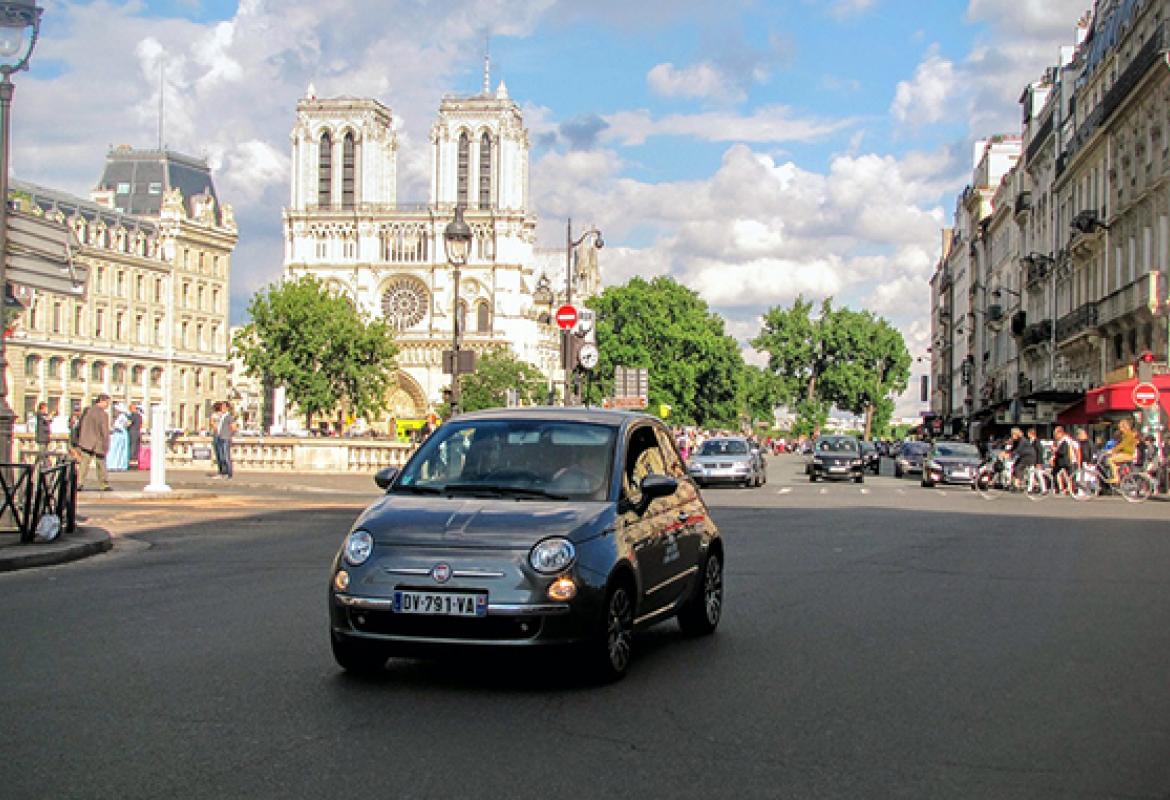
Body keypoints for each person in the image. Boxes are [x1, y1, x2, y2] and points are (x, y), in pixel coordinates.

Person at [75, 394, 112, 491]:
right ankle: (104, 484)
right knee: (101, 464)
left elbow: (79, 426)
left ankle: (79, 483)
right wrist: (106, 444)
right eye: (107, 402)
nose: (108, 405)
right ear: (102, 401)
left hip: (86, 441)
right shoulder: (103, 414)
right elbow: (104, 431)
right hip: (98, 442)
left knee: (84, 464)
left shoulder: (88, 411)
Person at [1107, 417, 1138, 484]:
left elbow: (1122, 445)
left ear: (1125, 427)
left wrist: (1112, 450)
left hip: (1128, 454)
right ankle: (1118, 475)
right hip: (1125, 453)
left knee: (1110, 460)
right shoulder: (1125, 435)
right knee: (1114, 461)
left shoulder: (1129, 435)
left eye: (1121, 427)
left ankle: (1116, 478)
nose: (1120, 429)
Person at [215, 401, 236, 479]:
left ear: (227, 408)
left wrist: (228, 435)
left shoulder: (229, 417)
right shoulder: (222, 416)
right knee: (221, 456)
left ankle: (229, 474)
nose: (221, 408)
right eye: (221, 407)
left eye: (223, 407)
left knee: (226, 456)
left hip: (225, 438)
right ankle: (223, 473)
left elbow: (234, 428)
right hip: (220, 437)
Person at [1052, 426, 1075, 496]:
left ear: (1060, 433)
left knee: (1068, 476)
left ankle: (1069, 489)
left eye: (1056, 434)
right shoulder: (1059, 441)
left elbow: (1063, 451)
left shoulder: (1066, 441)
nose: (1055, 436)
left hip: (1065, 461)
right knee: (1057, 474)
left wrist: (1056, 450)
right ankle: (1061, 488)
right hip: (1060, 461)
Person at [106, 404, 130, 472]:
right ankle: (117, 465)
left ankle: (115, 465)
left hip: (119, 435)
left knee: (116, 450)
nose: (115, 411)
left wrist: (113, 429)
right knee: (118, 450)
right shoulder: (121, 417)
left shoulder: (122, 417)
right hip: (119, 434)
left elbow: (119, 426)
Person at [127, 403, 143, 468]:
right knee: (137, 447)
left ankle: (132, 464)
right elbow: (141, 424)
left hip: (132, 432)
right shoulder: (139, 415)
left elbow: (129, 423)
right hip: (138, 432)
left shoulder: (132, 415)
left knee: (132, 447)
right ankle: (136, 463)